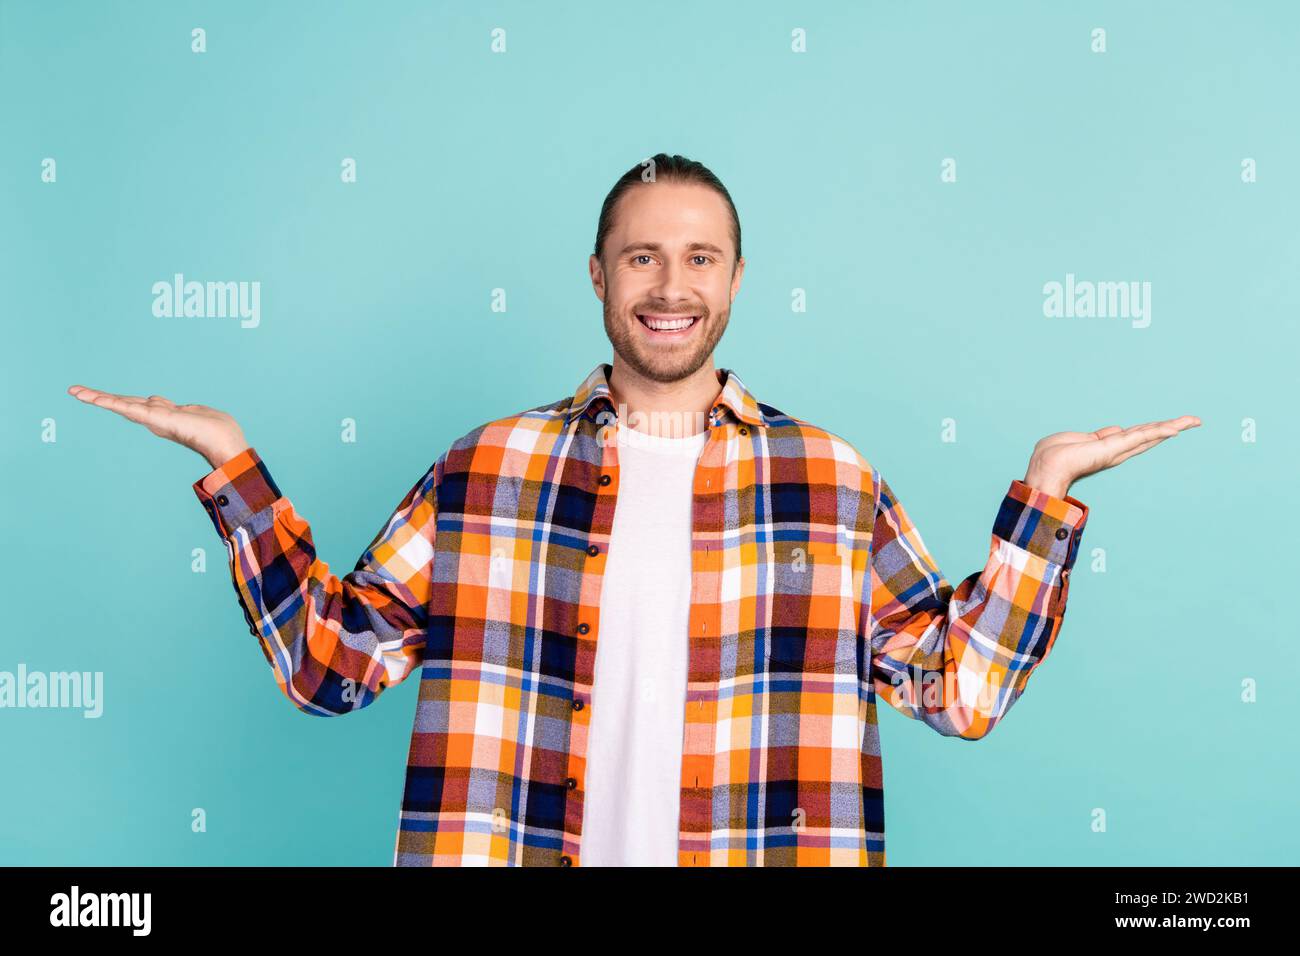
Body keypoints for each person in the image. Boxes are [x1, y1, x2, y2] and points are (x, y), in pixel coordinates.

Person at [68, 153, 1200, 867]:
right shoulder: (489, 467)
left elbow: (958, 691)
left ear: (738, 279)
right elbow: (328, 667)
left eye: (699, 257)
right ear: (599, 276)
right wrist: (233, 471)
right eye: (642, 257)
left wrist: (1044, 491)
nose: (671, 286)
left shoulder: (829, 480)